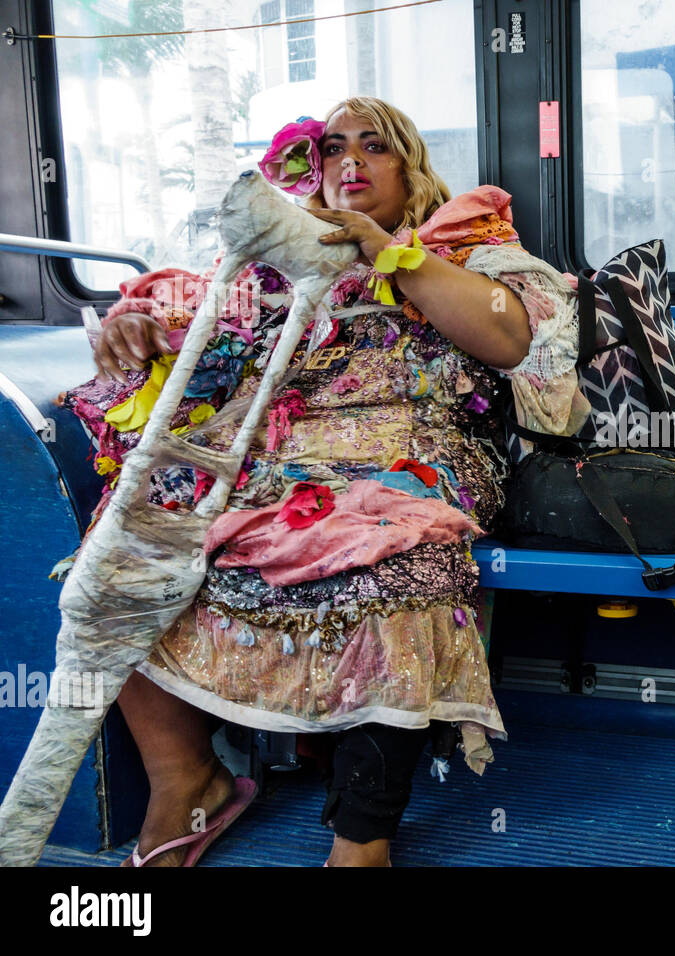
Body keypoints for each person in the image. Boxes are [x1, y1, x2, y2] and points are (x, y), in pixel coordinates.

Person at [67, 96, 584, 866]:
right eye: (332, 148)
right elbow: (207, 334)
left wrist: (389, 252)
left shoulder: (465, 242)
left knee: (398, 562)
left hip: (414, 451)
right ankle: (188, 780)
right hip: (275, 459)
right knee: (119, 557)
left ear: (411, 166)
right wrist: (146, 332)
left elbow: (509, 340)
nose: (349, 161)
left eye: (374, 145)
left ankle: (362, 834)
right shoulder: (278, 263)